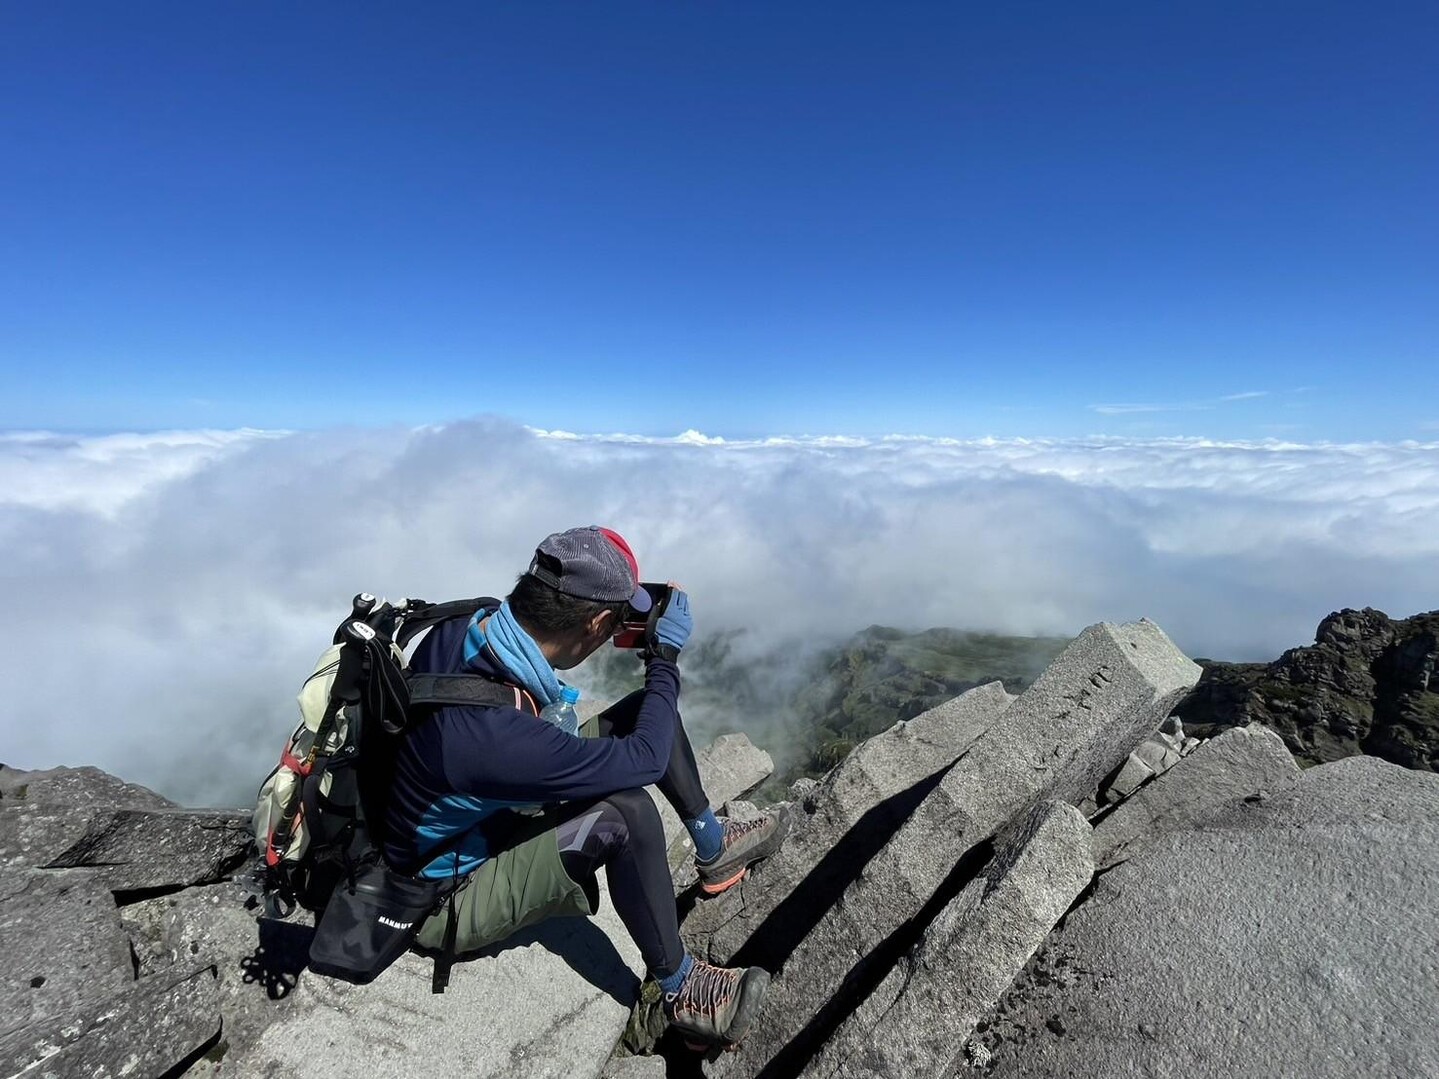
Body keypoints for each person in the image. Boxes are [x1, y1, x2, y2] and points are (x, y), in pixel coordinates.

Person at [382, 525, 789, 1046]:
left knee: (644, 713)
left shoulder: (470, 622)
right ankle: (678, 989)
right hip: (440, 893)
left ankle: (712, 847)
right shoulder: (495, 738)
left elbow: (631, 737)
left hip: (477, 801)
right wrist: (662, 659)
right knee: (626, 813)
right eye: (617, 621)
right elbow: (642, 760)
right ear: (597, 621)